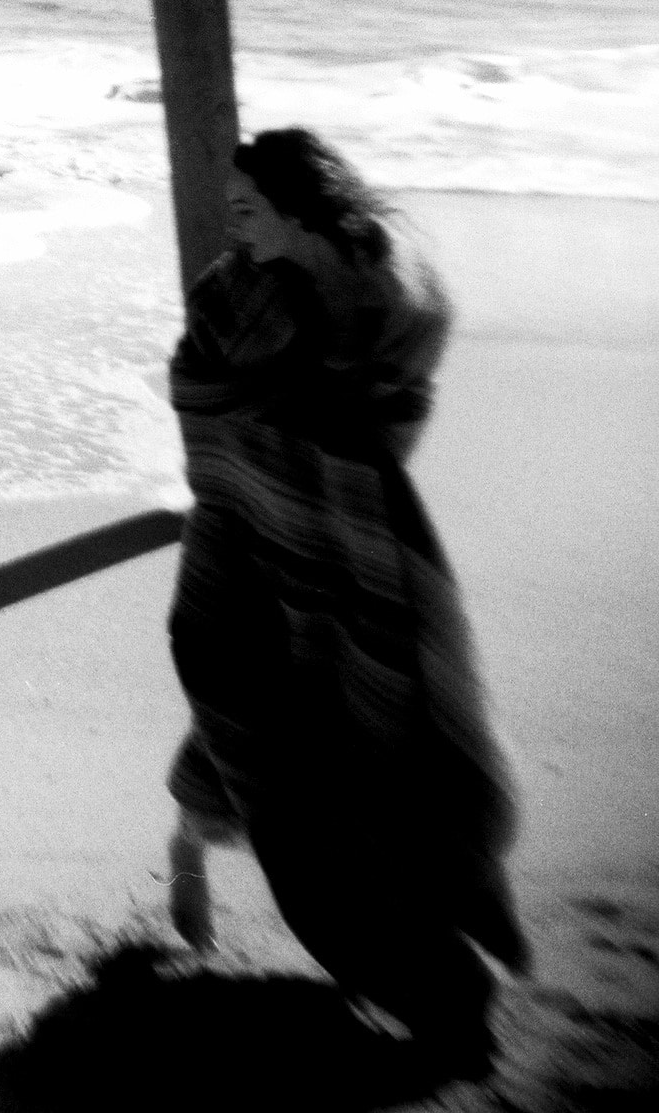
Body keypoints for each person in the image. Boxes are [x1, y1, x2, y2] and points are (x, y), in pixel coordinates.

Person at [163, 127, 528, 1080]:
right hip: (247, 517)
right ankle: (194, 848)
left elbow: (400, 405)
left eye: (247, 208)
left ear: (300, 209)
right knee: (228, 673)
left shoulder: (394, 294)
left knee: (378, 723)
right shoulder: (236, 295)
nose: (233, 226)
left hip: (354, 530)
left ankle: (430, 942)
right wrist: (279, 451)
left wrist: (328, 460)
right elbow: (197, 386)